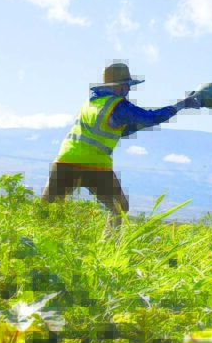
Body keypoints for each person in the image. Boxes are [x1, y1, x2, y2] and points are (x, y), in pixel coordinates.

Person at [42, 62, 200, 224]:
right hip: (95, 165)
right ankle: (108, 244)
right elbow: (150, 118)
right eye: (127, 85)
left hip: (66, 161)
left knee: (48, 208)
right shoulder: (118, 105)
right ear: (119, 87)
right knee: (119, 208)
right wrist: (182, 105)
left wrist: (135, 125)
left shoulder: (90, 104)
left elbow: (117, 129)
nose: (129, 90)